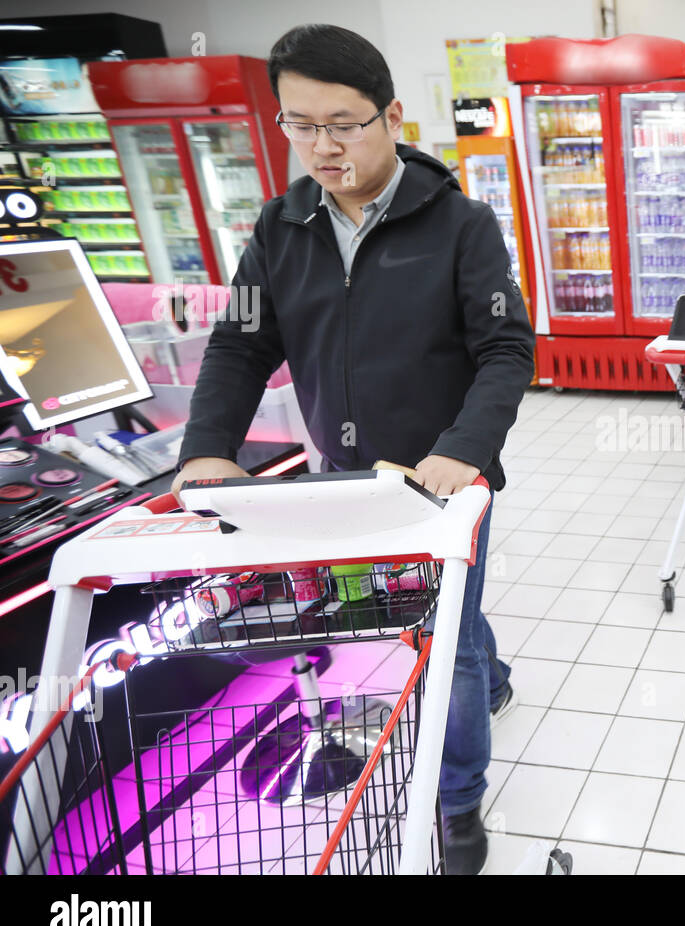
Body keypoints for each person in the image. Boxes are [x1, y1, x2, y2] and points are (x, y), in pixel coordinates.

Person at [172, 23, 534, 875]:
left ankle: (456, 802)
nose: (322, 146)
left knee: (448, 637)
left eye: (344, 123)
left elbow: (505, 350)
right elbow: (239, 345)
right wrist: (206, 447)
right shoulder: (280, 226)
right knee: (405, 618)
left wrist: (463, 450)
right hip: (340, 481)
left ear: (393, 116)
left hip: (444, 488)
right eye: (299, 125)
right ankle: (491, 670)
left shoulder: (459, 224)